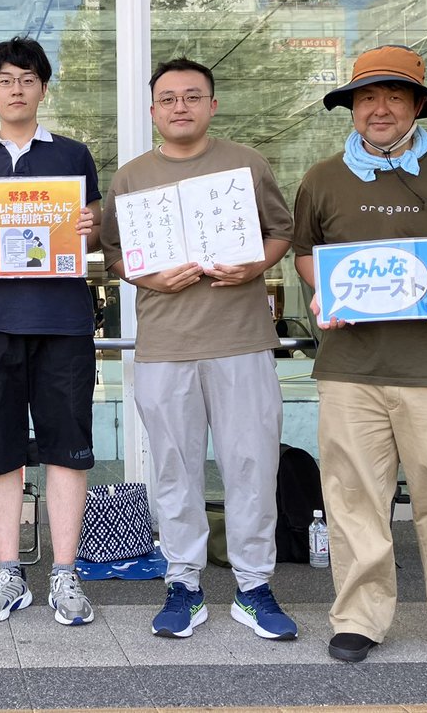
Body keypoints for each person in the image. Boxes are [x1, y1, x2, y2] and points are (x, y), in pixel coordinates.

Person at [292, 44, 427, 672]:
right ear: (352, 108)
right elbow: (306, 250)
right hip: (349, 371)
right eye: (366, 97)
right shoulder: (322, 178)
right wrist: (320, 290)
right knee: (354, 496)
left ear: (418, 104)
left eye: (393, 95)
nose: (379, 108)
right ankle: (359, 617)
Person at [100, 58, 297, 641]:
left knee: (251, 464)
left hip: (240, 340)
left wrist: (255, 265)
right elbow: (114, 253)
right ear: (153, 110)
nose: (179, 106)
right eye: (168, 98)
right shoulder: (131, 177)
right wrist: (146, 278)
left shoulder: (246, 164)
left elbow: (281, 231)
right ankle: (183, 583)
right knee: (173, 469)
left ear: (213, 105)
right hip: (165, 345)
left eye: (192, 96)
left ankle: (253, 585)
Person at [0, 36, 102, 627]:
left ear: (43, 88)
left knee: (66, 447)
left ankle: (65, 573)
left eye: (27, 79)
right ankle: (9, 573)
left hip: (62, 322)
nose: (15, 89)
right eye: (4, 80)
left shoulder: (74, 156)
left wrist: (93, 225)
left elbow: (96, 237)